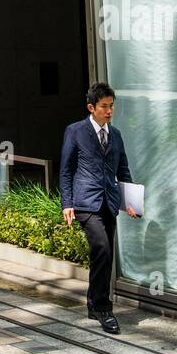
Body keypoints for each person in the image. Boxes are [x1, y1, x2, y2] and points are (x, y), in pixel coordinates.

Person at [60, 82, 139, 335]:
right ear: (91, 108)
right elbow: (66, 170)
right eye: (104, 106)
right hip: (86, 203)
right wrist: (67, 203)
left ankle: (93, 304)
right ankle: (104, 308)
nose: (109, 111)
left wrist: (130, 202)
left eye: (111, 106)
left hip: (110, 203)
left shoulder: (115, 134)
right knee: (102, 248)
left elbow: (123, 169)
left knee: (104, 255)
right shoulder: (75, 131)